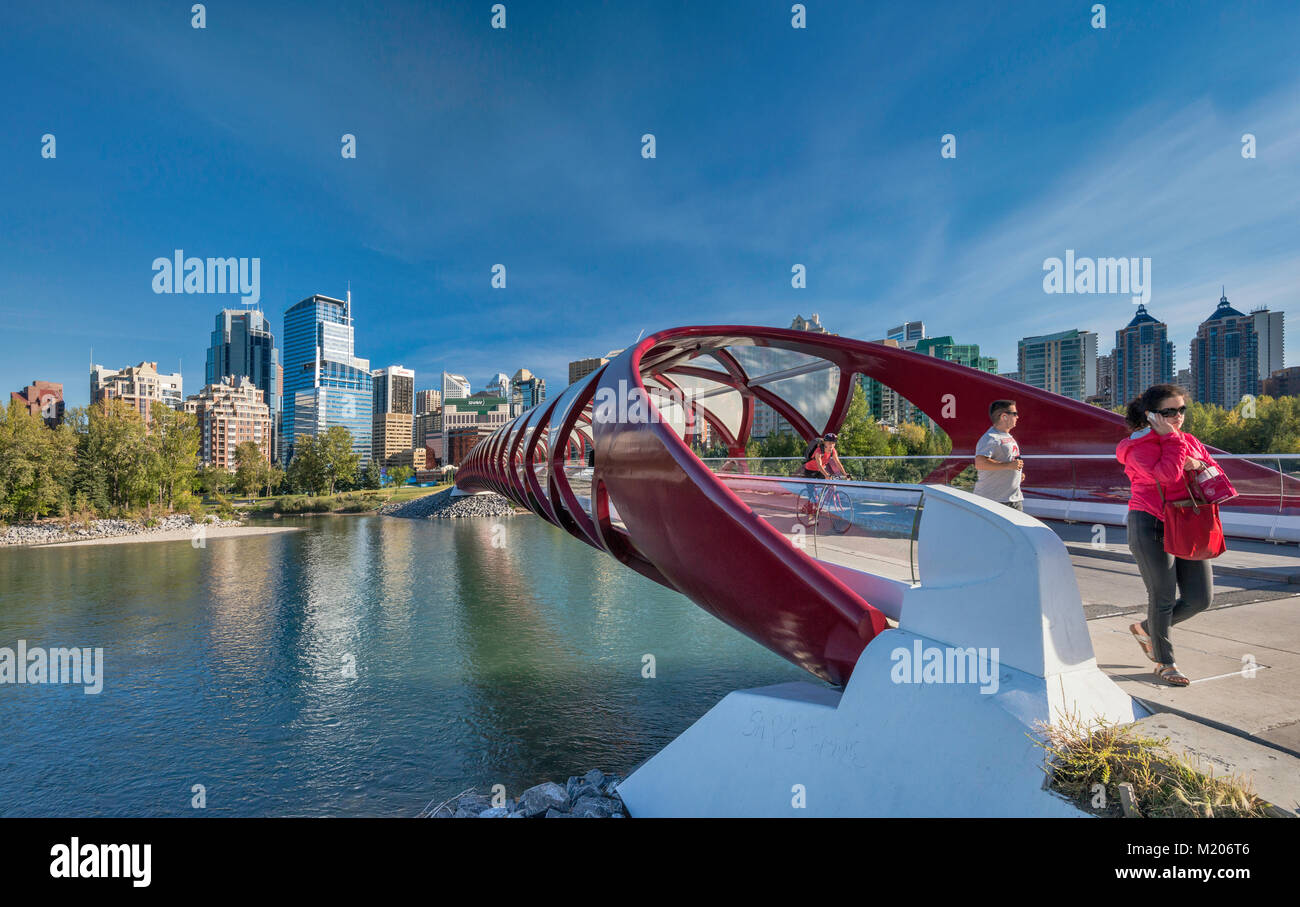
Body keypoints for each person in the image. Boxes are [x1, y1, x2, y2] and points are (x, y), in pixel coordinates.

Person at [1116, 384, 1219, 687]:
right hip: (1150, 522)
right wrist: (1173, 441)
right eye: (1169, 411)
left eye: (1181, 410)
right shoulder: (1135, 446)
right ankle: (1165, 662)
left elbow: (1213, 470)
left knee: (1200, 598)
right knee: (1162, 595)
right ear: (1151, 415)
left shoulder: (1190, 441)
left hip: (1188, 521)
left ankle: (1147, 628)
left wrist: (1198, 462)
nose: (1177, 416)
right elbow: (1168, 475)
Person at [973, 400, 1024, 510]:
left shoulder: (1008, 436)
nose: (1017, 417)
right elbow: (980, 463)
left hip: (1013, 498)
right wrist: (1009, 466)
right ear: (1004, 416)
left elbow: (1010, 461)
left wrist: (1018, 474)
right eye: (1014, 414)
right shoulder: (990, 438)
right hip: (994, 501)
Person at [799, 433, 846, 521]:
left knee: (831, 484)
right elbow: (819, 465)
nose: (831, 445)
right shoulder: (819, 451)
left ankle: (820, 499)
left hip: (821, 471)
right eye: (829, 443)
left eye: (833, 443)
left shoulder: (833, 451)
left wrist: (845, 474)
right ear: (824, 443)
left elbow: (838, 463)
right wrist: (827, 475)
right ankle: (811, 510)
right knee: (811, 494)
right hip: (810, 471)